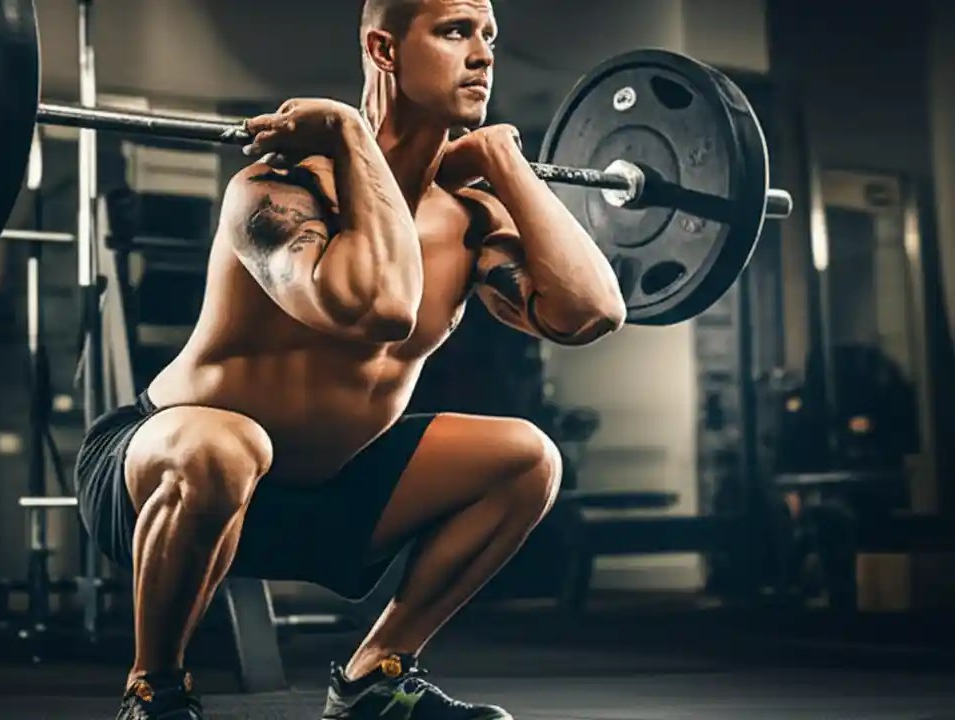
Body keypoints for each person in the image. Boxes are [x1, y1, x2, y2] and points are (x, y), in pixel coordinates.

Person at [75, 1, 627, 717]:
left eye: (489, 35)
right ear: (385, 50)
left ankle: (376, 676)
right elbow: (380, 308)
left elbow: (592, 311)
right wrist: (349, 131)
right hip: (165, 471)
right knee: (228, 445)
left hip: (326, 490)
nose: (484, 54)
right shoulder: (279, 191)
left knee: (528, 459)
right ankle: (154, 688)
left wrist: (507, 164)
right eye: (456, 31)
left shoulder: (469, 219)